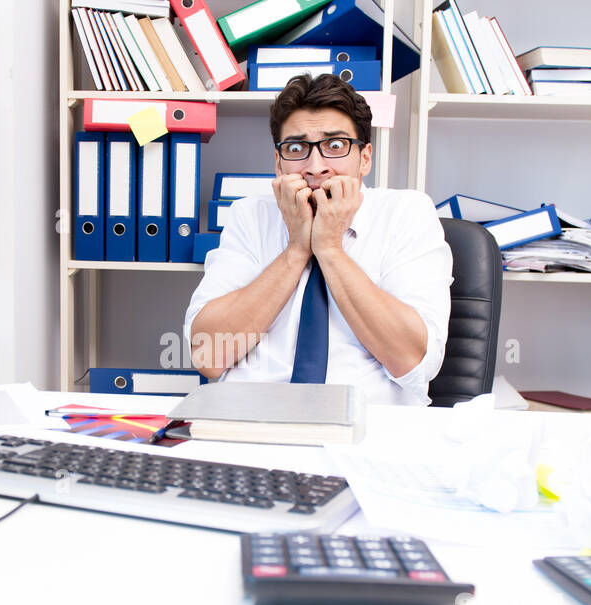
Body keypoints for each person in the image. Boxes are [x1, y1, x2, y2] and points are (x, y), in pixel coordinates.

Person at [184, 73, 452, 406]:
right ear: (278, 163)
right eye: (296, 148)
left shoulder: (407, 213)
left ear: (364, 158)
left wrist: (329, 248)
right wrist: (296, 250)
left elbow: (413, 360)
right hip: (251, 419)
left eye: (335, 146)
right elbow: (208, 355)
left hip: (369, 428)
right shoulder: (250, 215)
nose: (316, 166)